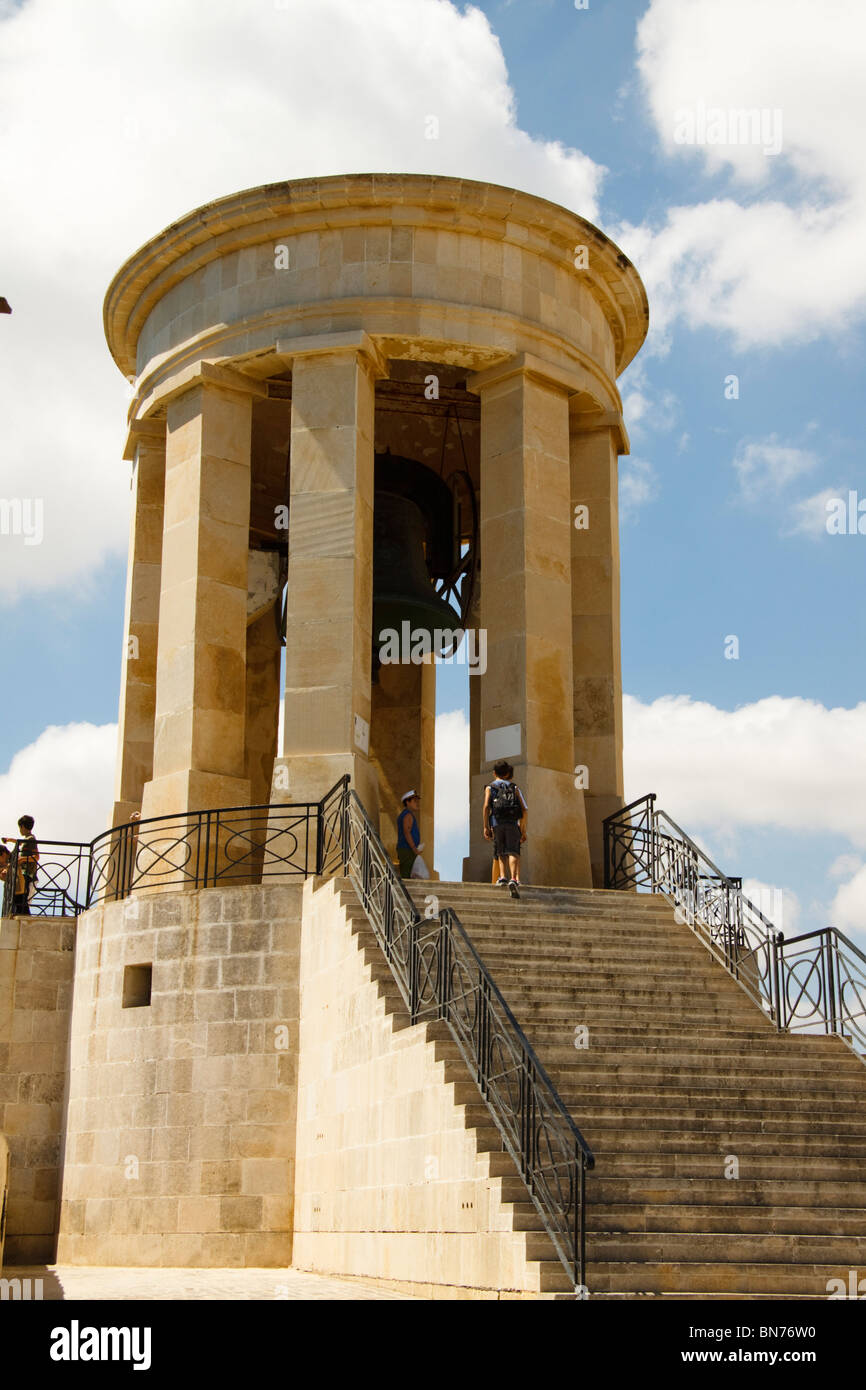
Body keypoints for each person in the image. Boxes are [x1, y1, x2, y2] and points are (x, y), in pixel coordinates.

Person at [483, 762, 527, 899]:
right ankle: (513, 878)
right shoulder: (514, 787)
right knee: (513, 851)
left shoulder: (490, 787)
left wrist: (486, 826)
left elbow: (485, 807)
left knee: (501, 851)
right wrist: (523, 829)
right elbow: (524, 809)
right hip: (513, 823)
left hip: (497, 823)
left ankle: (502, 877)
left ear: (494, 773)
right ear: (508, 774)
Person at [2, 815, 40, 915]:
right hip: (23, 873)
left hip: (27, 874)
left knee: (20, 898)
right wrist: (10, 840)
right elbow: (21, 843)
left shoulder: (31, 839)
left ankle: (24, 917)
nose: (20, 829)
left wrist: (22, 859)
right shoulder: (27, 839)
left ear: (22, 826)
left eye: (20, 827)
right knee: (18, 897)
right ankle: (21, 916)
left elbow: (36, 857)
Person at [396, 791, 423, 879]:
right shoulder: (407, 815)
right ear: (407, 802)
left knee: (409, 874)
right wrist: (414, 849)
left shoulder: (408, 814)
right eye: (414, 801)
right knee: (407, 875)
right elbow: (407, 832)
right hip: (407, 850)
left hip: (408, 850)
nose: (417, 803)